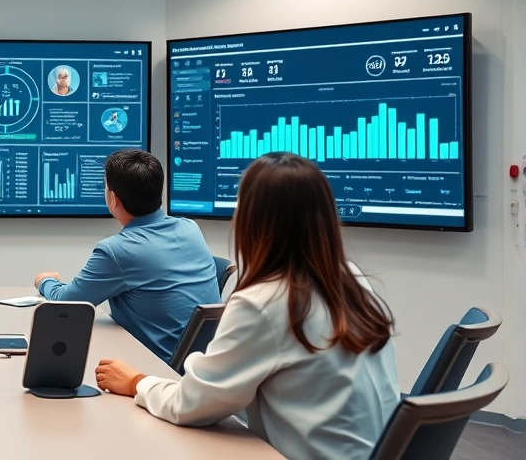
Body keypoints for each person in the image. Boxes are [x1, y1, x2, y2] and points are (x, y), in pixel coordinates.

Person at [94, 153, 400, 460]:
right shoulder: (353, 279)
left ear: (250, 220)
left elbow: (194, 404)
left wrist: (136, 382)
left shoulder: (263, 303)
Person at [33, 149, 219, 364]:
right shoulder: (190, 228)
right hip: (202, 366)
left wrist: (45, 280)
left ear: (113, 198)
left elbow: (66, 303)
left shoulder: (117, 250)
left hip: (156, 368)